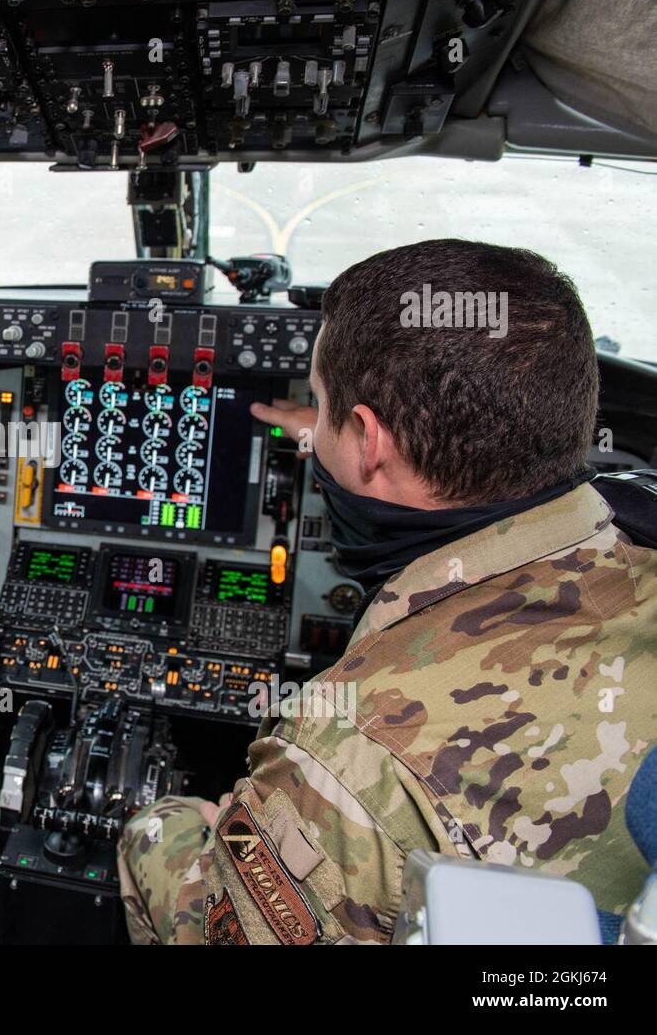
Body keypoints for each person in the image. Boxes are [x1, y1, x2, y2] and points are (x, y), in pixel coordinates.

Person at [118, 239, 657, 944]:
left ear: (370, 441)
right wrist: (337, 423)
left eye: (321, 404)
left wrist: (170, 822)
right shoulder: (642, 513)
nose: (315, 428)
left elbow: (207, 922)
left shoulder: (353, 756)